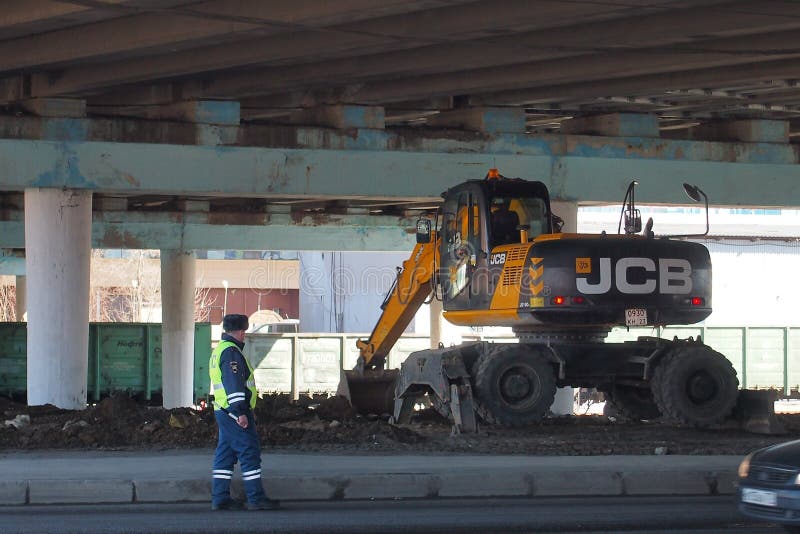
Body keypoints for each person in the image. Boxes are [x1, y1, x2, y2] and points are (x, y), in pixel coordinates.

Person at [209, 313, 279, 511]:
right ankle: (256, 498)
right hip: (234, 413)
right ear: (240, 331)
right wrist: (240, 413)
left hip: (223, 411)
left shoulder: (220, 350)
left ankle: (220, 498)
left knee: (225, 455)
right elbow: (234, 385)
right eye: (244, 332)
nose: (244, 336)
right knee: (249, 452)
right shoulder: (231, 352)